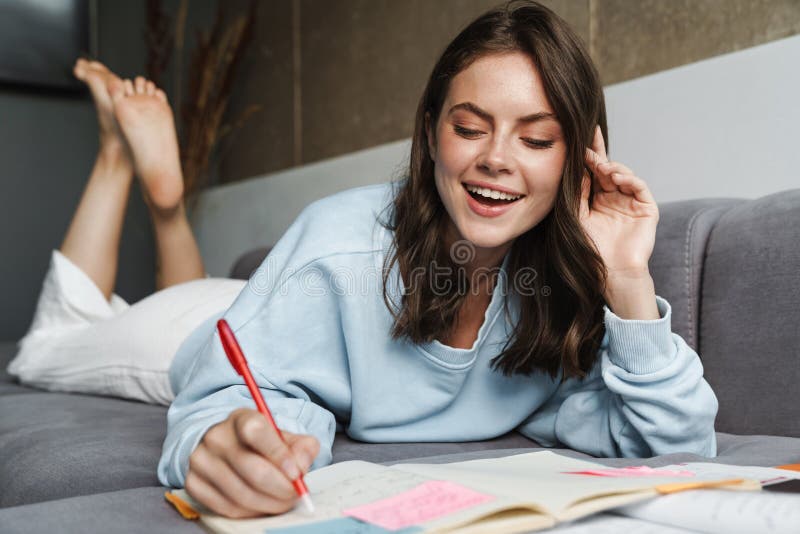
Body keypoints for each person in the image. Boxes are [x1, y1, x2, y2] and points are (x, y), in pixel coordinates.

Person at [9, 0, 718, 520]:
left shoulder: (558, 277)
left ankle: (167, 206)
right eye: (470, 128)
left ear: (579, 157)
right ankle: (117, 160)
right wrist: (228, 443)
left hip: (276, 312)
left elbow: (676, 442)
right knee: (52, 341)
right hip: (191, 334)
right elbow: (224, 399)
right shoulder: (339, 244)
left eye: (537, 140)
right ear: (433, 134)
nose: (496, 159)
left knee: (211, 293)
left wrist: (627, 278)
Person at [7, 58, 246, 405]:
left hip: (251, 300)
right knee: (46, 346)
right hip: (241, 343)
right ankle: (126, 167)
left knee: (190, 310)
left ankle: (139, 181)